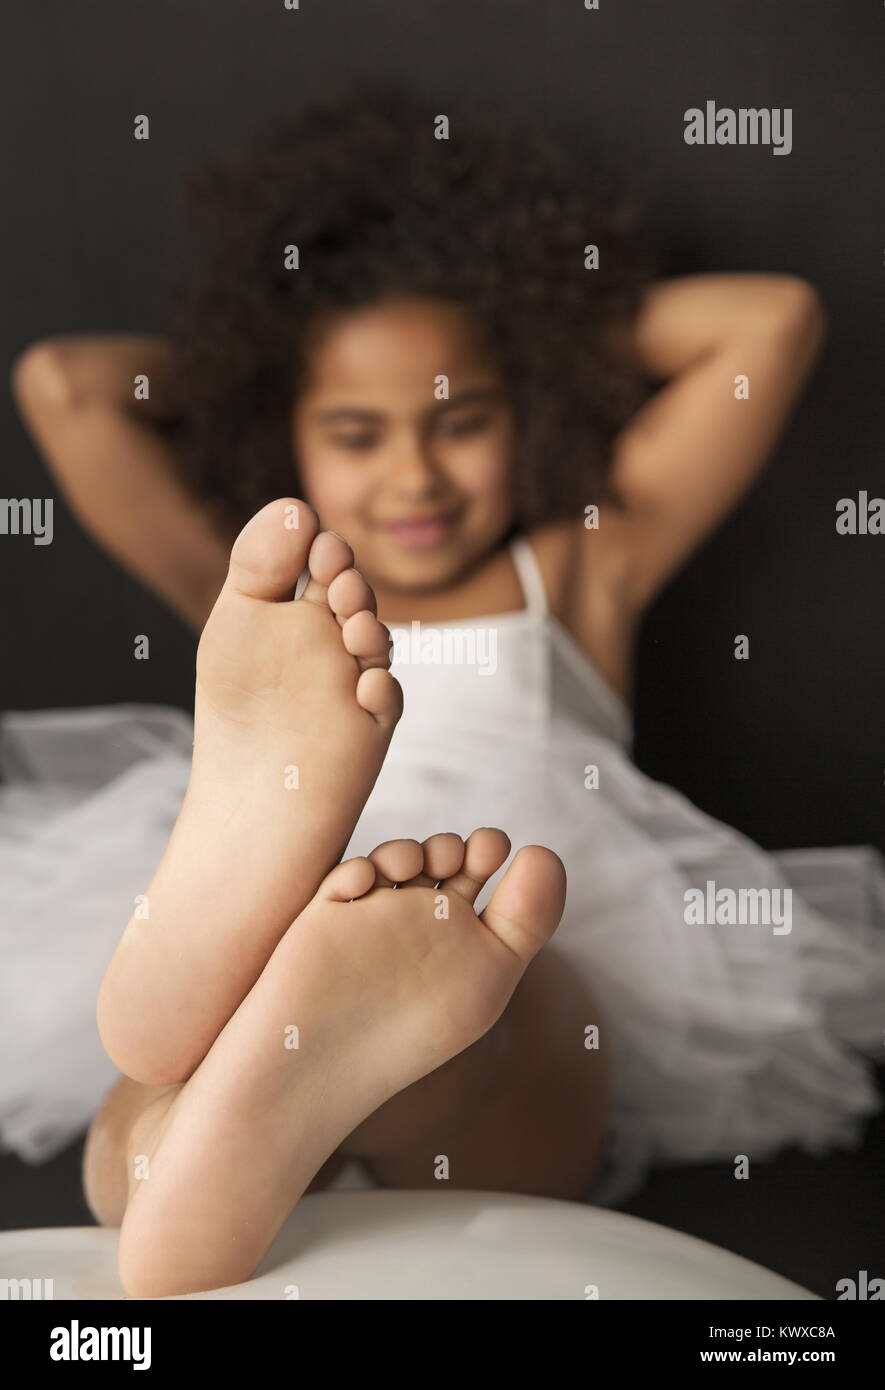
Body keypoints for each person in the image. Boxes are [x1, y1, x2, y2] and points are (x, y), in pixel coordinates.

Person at [7, 87, 884, 1296]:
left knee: (487, 971)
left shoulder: (579, 557)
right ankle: (246, 1068)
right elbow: (65, 385)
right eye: (356, 432)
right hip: (356, 898)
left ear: (528, 408)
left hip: (488, 902)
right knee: (375, 1013)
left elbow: (771, 325)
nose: (415, 471)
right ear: (287, 429)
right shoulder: (276, 580)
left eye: (461, 418)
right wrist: (263, 359)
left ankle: (258, 1086)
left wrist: (534, 335)